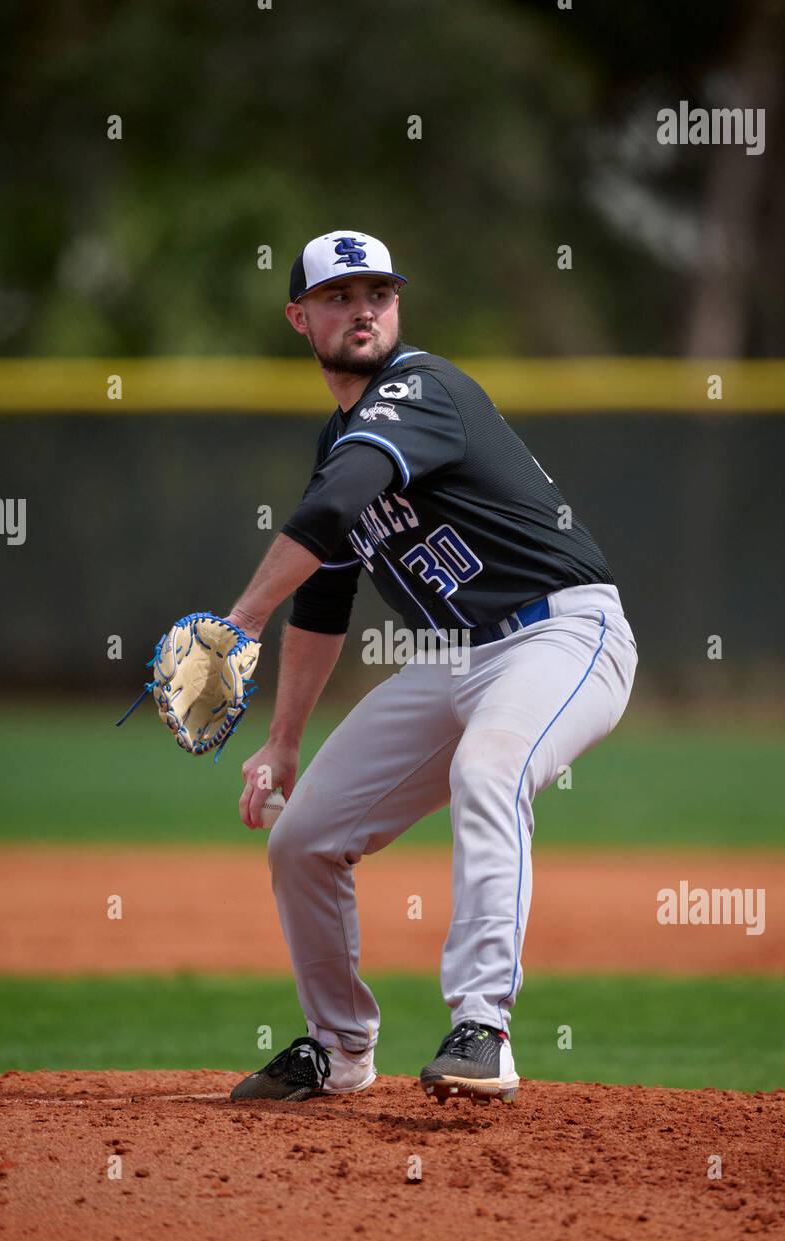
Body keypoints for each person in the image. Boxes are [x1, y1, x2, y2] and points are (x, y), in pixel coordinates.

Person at [227, 229, 638, 1106]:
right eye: (339, 296)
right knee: (302, 838)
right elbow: (327, 602)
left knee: (488, 769)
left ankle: (482, 1028)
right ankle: (339, 1052)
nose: (363, 308)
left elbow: (338, 506)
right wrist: (284, 743)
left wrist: (239, 620)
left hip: (564, 636)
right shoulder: (336, 441)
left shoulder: (422, 386)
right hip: (458, 658)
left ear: (398, 307)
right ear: (301, 318)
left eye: (378, 292)